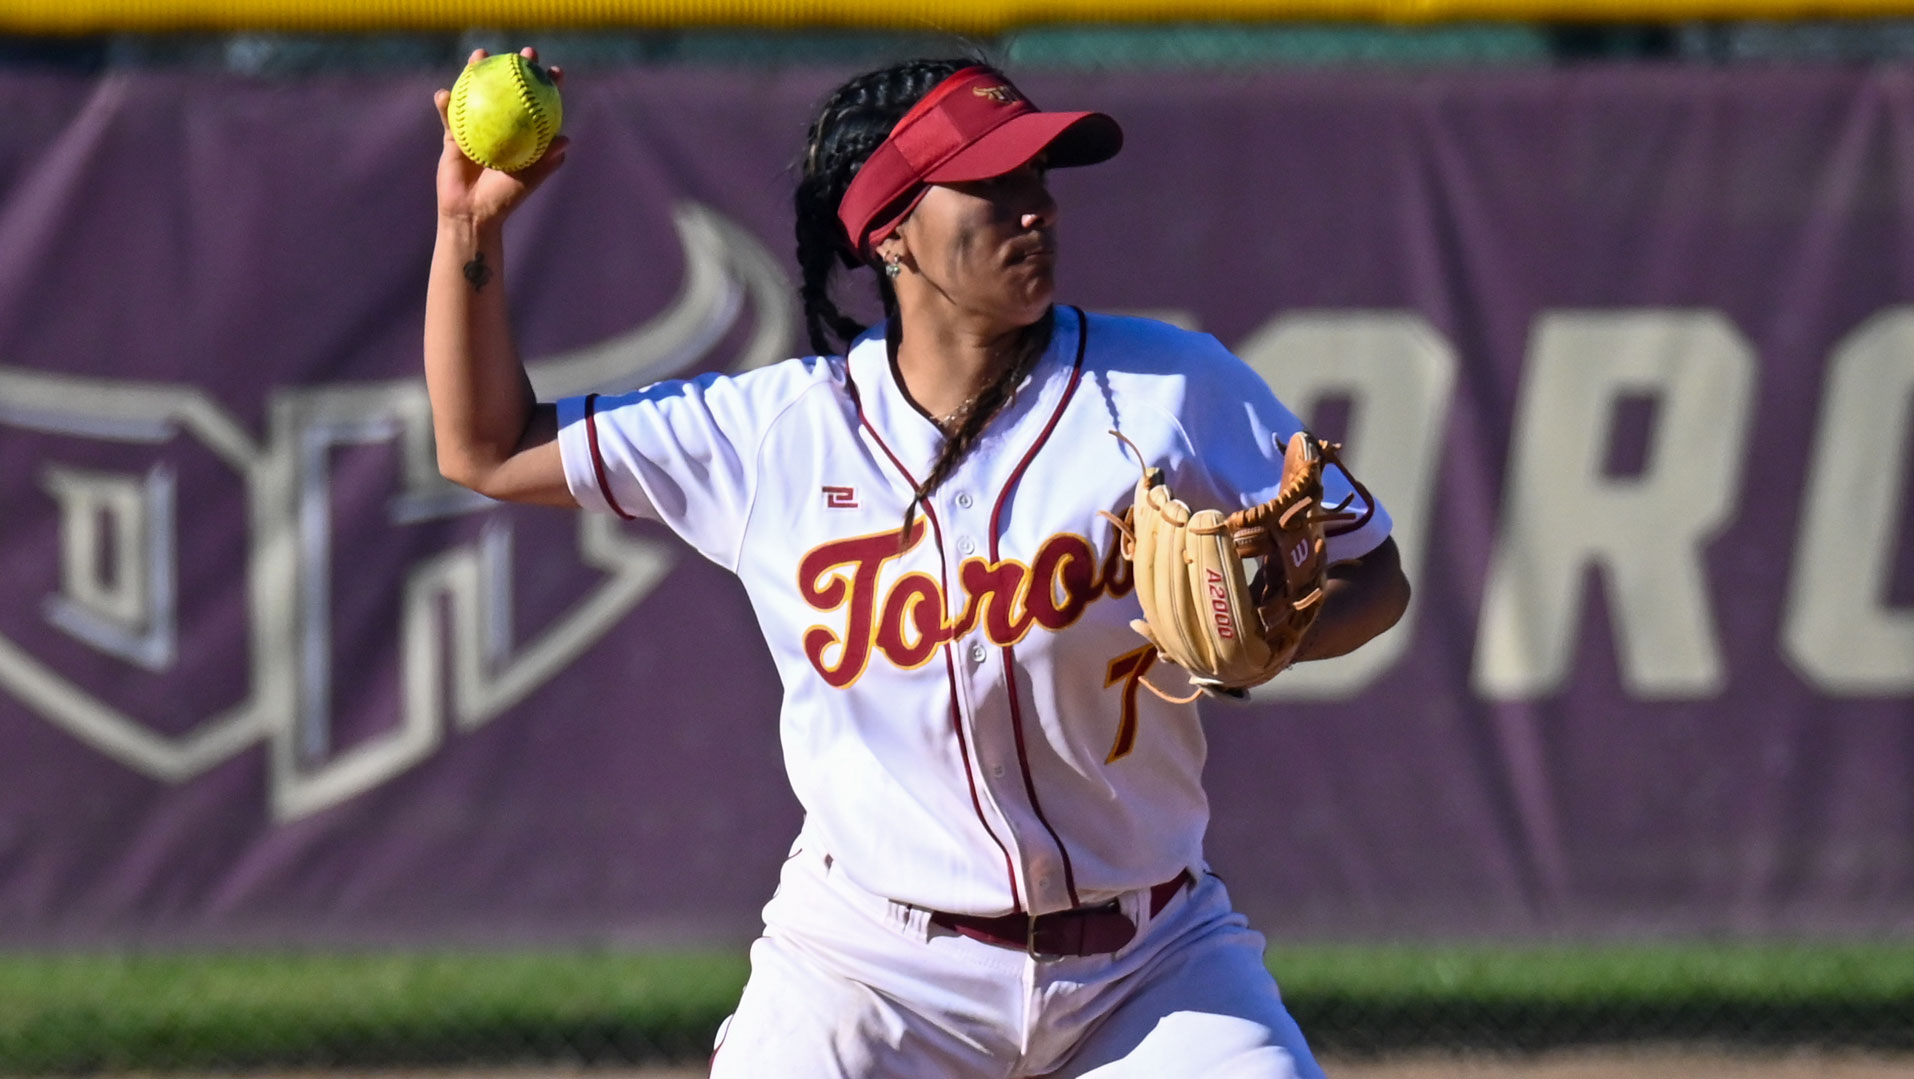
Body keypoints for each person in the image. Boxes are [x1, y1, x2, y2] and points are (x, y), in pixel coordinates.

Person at [427, 49, 1410, 1079]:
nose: (1036, 207)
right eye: (995, 181)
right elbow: (484, 446)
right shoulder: (778, 435)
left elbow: (1375, 572)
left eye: (1041, 177)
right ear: (890, 229)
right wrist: (468, 228)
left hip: (1151, 961)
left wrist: (1278, 634)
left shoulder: (1167, 386)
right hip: (872, 965)